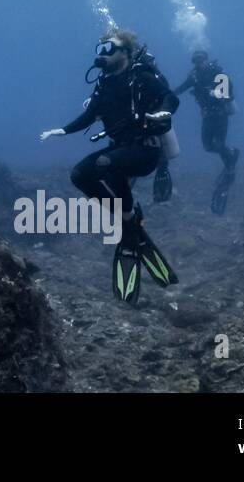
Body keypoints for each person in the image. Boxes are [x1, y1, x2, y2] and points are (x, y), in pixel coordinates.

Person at [40, 28, 180, 303]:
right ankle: (132, 225)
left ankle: (128, 224)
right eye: (99, 48)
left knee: (105, 165)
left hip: (145, 151)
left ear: (126, 52)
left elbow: (170, 98)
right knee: (79, 174)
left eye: (109, 48)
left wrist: (164, 111)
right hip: (119, 151)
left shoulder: (140, 77)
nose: (101, 54)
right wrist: (63, 130)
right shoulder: (104, 83)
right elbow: (90, 114)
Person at [174, 50, 241, 214]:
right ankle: (232, 154)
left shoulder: (217, 73)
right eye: (195, 61)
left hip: (220, 114)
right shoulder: (194, 76)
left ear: (206, 59)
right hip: (207, 116)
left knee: (218, 143)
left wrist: (210, 92)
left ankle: (230, 165)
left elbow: (227, 94)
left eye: (201, 60)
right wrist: (168, 95)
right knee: (208, 147)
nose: (198, 64)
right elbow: (182, 88)